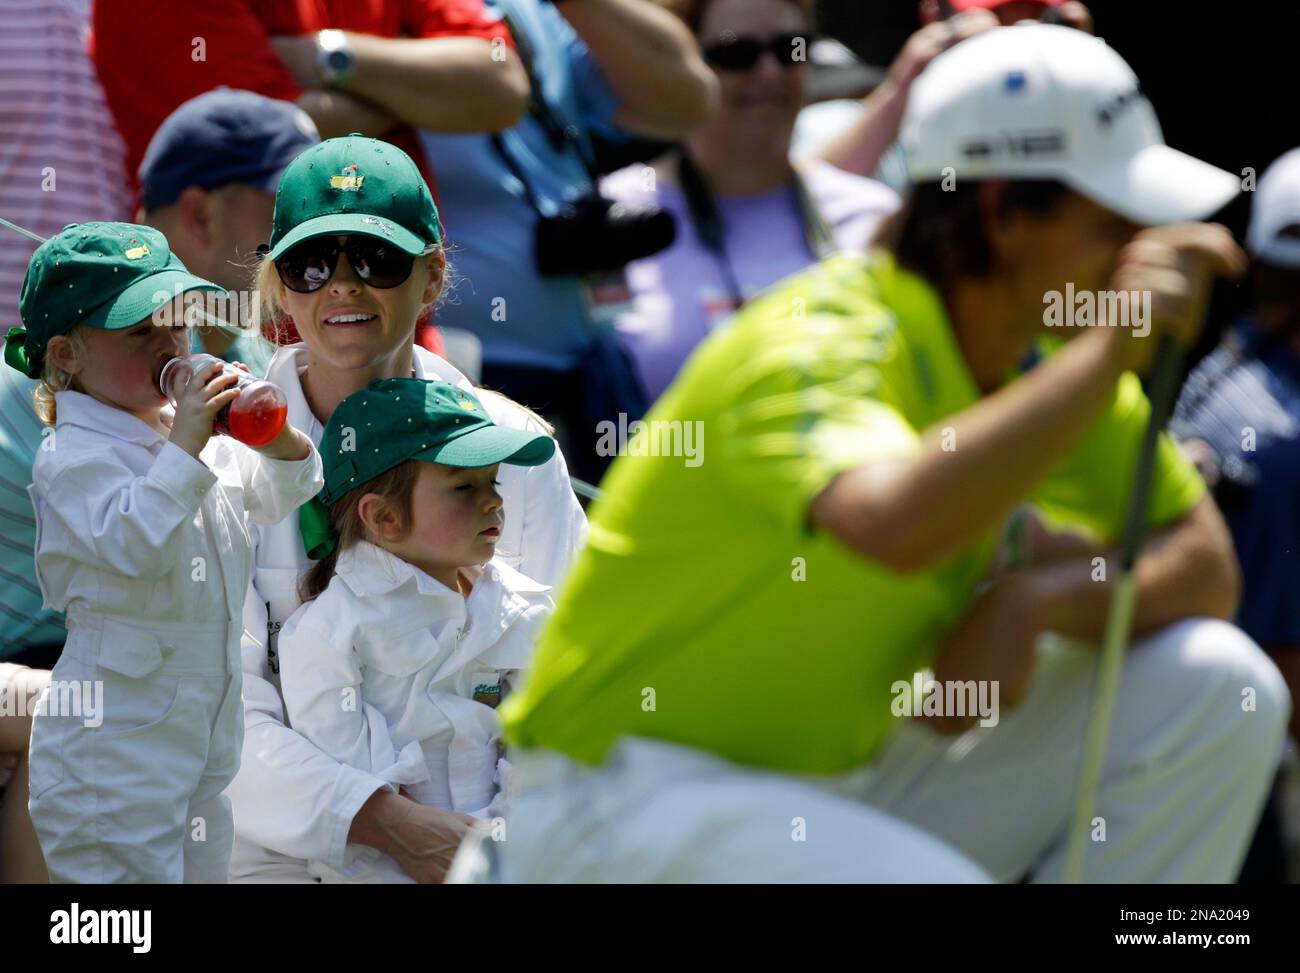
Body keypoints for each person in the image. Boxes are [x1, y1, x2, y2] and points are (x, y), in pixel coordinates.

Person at [468, 24, 1289, 883]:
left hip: (833, 785)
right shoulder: (815, 339)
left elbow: (1204, 567)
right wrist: (1110, 352)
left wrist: (1039, 599)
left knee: (1219, 688)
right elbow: (890, 523)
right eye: (1113, 221)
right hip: (614, 805)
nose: (1140, 254)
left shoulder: (1051, 366)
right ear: (1004, 212)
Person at [226, 134, 587, 884]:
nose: (343, 285)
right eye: (311, 263)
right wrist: (388, 825)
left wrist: (495, 839)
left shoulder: (522, 448)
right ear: (280, 287)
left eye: (378, 260)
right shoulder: (221, 468)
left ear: (432, 278)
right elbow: (216, 710)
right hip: (282, 857)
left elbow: (573, 679)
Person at [5, 222, 324, 882]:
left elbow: (274, 498)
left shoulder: (184, 431)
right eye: (138, 332)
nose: (169, 346)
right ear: (67, 354)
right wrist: (187, 443)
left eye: (175, 324)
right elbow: (133, 544)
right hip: (111, 756)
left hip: (201, 737)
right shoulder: (71, 458)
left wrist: (282, 439)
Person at [419, 0, 717, 482]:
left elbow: (687, 98)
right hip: (457, 381)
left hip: (591, 372)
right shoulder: (378, 14)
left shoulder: (530, 10)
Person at [278, 378, 556, 882]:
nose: (493, 502)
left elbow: (544, 740)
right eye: (463, 486)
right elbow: (358, 788)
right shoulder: (330, 633)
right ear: (383, 516)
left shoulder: (519, 606)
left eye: (493, 482)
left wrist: (501, 833)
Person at [604, 0, 900, 403]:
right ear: (683, 66)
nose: (770, 72)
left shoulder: (875, 215)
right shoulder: (613, 218)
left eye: (789, 48)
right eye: (736, 55)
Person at [137, 89, 321, 373]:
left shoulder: (268, 365)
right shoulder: (87, 368)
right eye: (285, 208)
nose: (310, 230)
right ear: (201, 217)